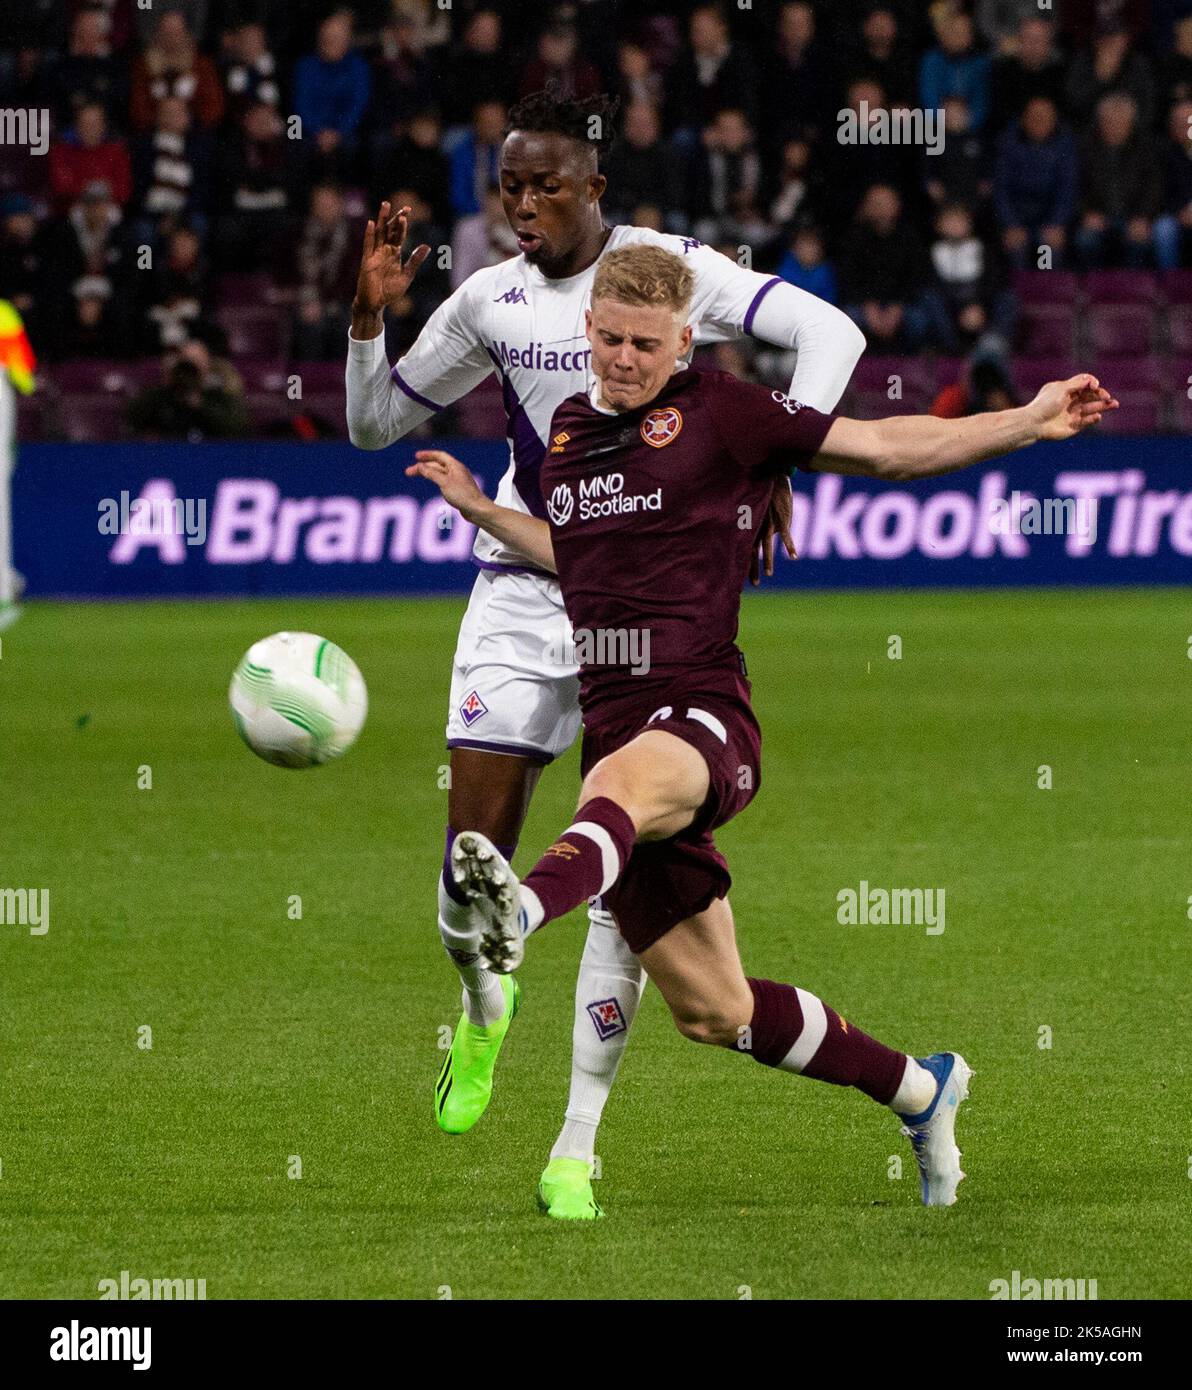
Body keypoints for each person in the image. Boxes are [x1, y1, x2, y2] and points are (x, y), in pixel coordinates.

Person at [408, 242, 1117, 1215]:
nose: (622, 357)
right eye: (608, 338)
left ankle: (517, 917)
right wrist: (483, 511)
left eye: (644, 344)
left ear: (683, 339)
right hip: (620, 729)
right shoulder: (569, 433)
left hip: (701, 715)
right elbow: (575, 563)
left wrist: (1029, 421)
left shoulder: (724, 412)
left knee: (609, 791)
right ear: (587, 332)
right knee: (717, 1011)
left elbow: (886, 450)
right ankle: (920, 1087)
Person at [345, 86, 866, 1222]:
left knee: (612, 853)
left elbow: (831, 334)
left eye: (544, 184)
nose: (521, 205)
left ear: (593, 186)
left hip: (643, 605)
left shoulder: (664, 269)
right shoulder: (487, 298)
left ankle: (574, 1146)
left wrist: (776, 466)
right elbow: (375, 424)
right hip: (524, 593)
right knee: (467, 870)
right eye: (507, 186)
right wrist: (366, 323)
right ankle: (482, 1016)